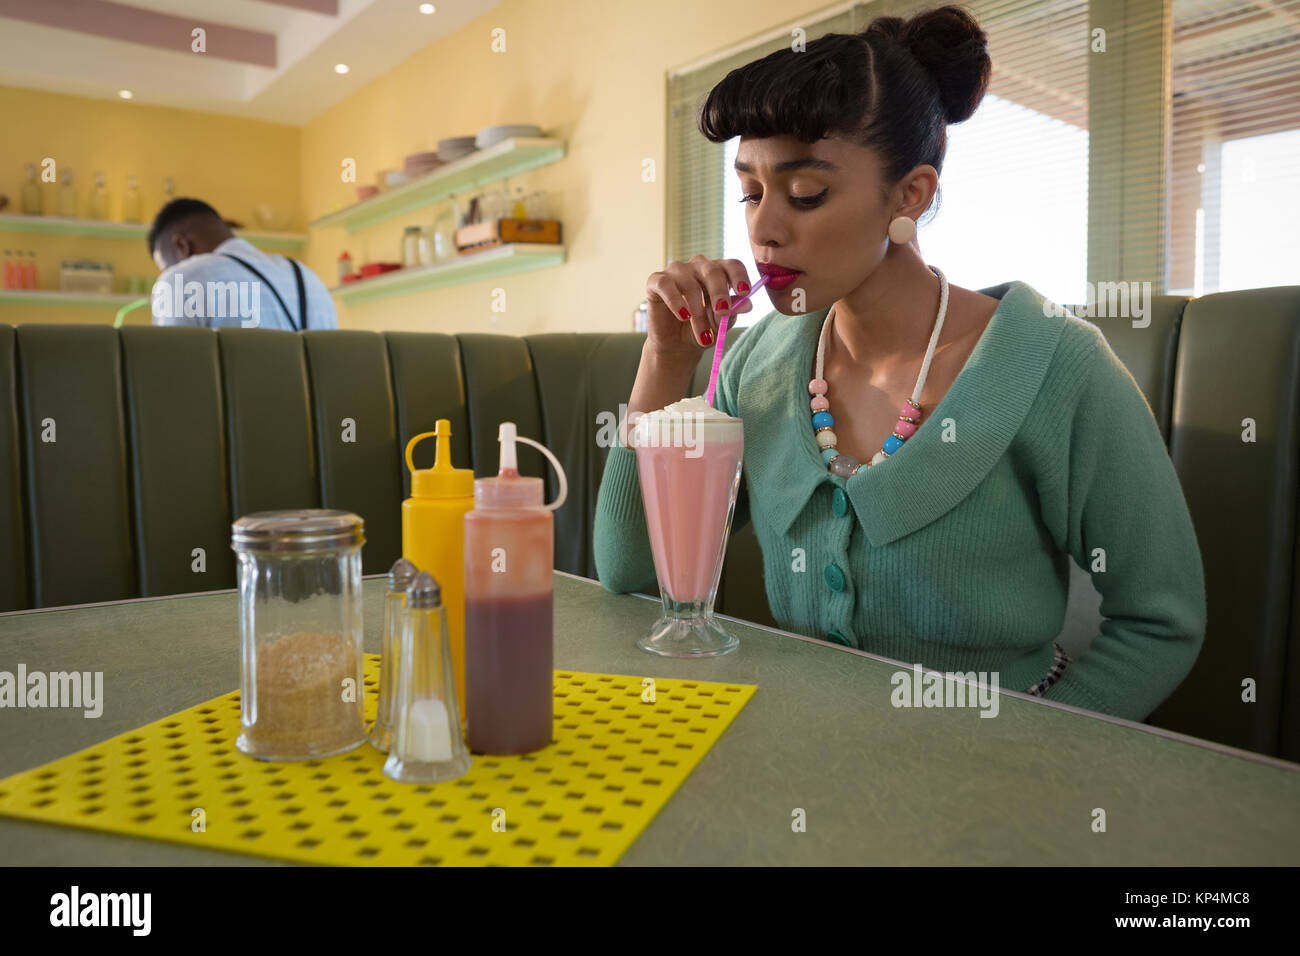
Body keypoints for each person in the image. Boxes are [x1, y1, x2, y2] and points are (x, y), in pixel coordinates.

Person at [593, 6, 1206, 722]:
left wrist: (1040, 764)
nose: (761, 228)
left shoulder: (1053, 366)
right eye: (750, 192)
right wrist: (664, 360)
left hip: (1006, 774)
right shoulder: (753, 364)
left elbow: (1163, 623)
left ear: (910, 195)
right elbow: (628, 569)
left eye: (805, 193)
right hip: (811, 755)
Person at [147, 198, 337, 330]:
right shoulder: (309, 278)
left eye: (165, 266)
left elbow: (172, 374)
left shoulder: (180, 279)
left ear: (181, 246)